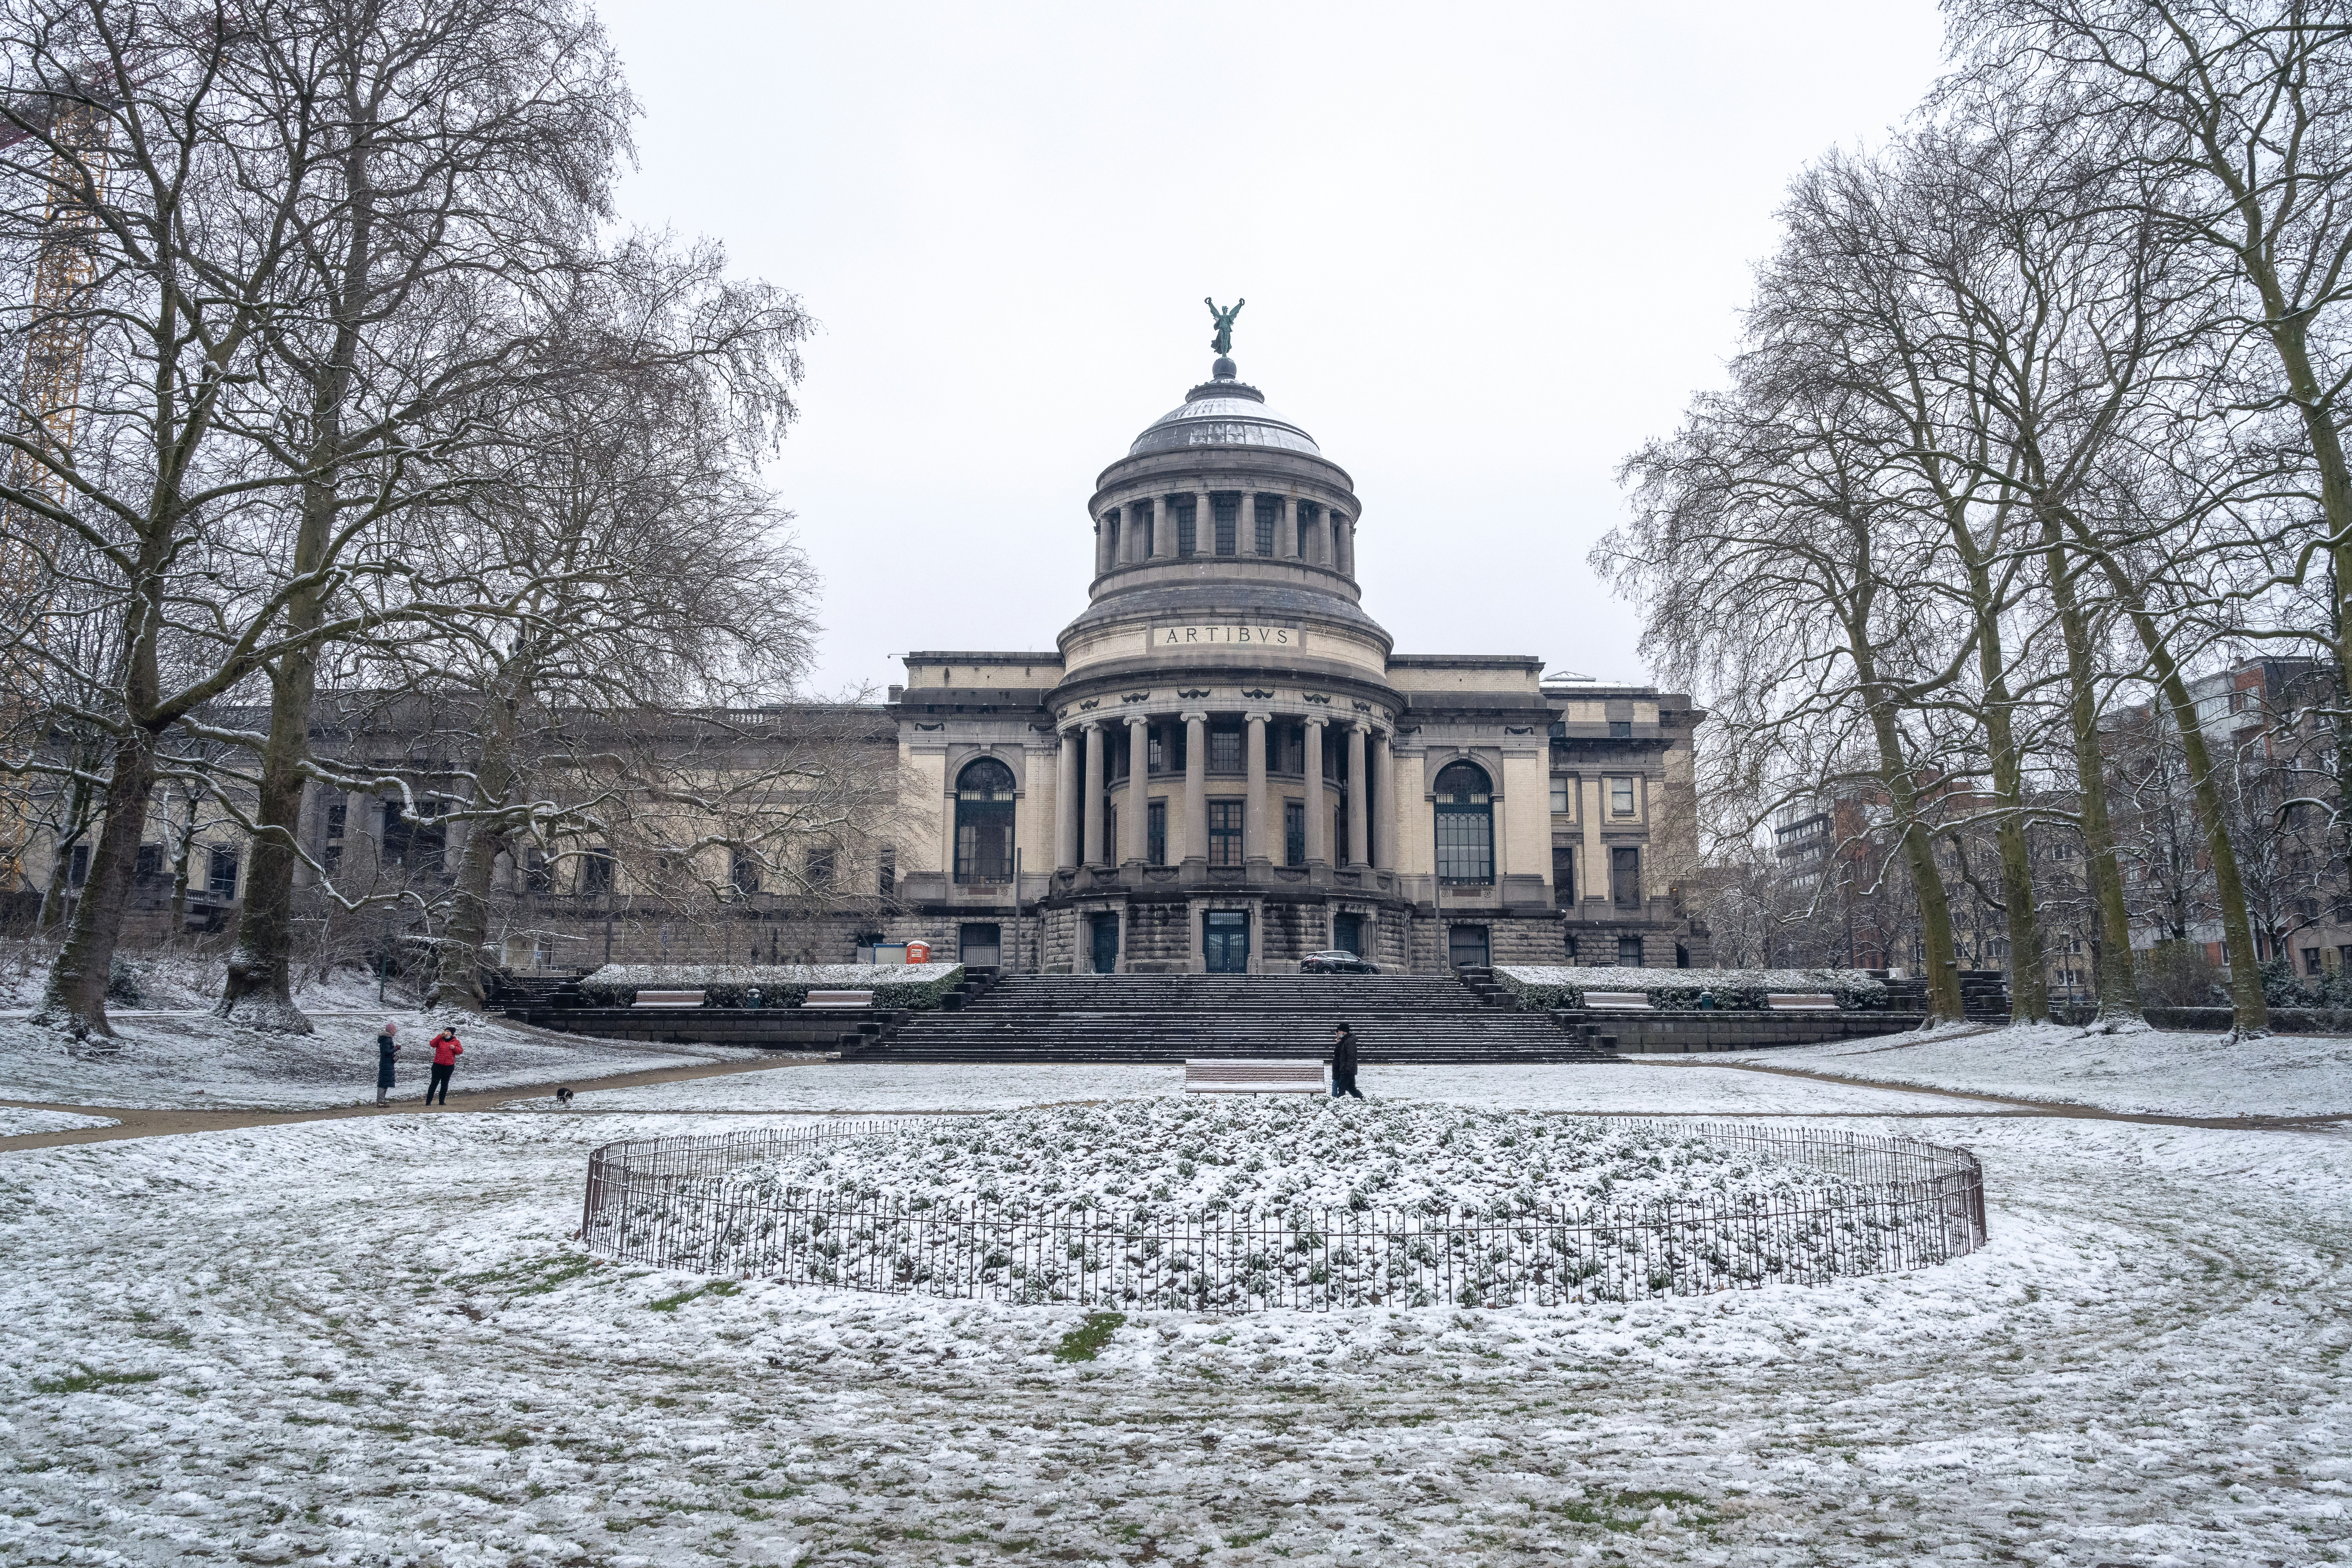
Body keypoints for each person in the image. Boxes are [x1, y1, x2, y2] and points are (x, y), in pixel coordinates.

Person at [425, 1023, 465, 1106]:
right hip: (438, 1065)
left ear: (452, 1034)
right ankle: (428, 1102)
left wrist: (455, 1048)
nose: (446, 1032)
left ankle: (442, 1102)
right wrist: (440, 1036)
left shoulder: (456, 1042)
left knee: (445, 1084)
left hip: (449, 1066)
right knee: (434, 1083)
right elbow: (432, 1044)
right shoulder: (440, 1040)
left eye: (449, 1031)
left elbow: (460, 1051)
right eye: (446, 1031)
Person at [1329, 1022, 1364, 1100]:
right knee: (1351, 1089)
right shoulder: (1346, 1040)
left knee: (1342, 1089)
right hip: (1347, 1070)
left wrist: (1347, 1069)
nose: (1339, 1033)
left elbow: (1351, 1057)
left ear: (1345, 1032)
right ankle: (1362, 1100)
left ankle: (1339, 1103)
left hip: (1347, 1071)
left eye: (1340, 1031)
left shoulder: (1349, 1041)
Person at [374, 1020, 400, 1106]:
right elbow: (386, 1052)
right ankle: (380, 1101)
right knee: (383, 1082)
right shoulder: (387, 1040)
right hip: (386, 1063)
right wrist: (396, 1049)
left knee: (385, 1082)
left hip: (387, 1063)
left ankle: (382, 1100)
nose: (396, 1031)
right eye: (395, 1030)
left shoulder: (386, 1039)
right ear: (391, 1031)